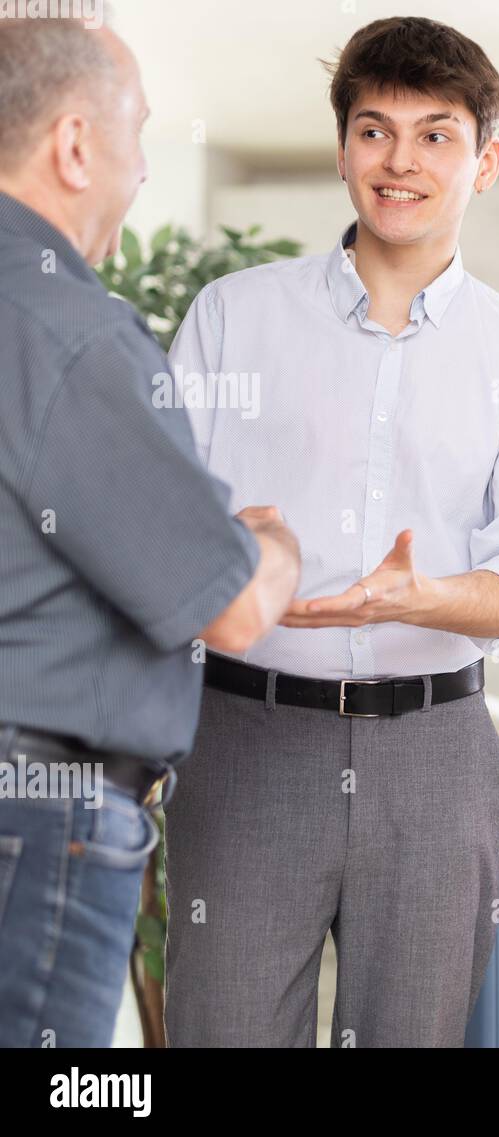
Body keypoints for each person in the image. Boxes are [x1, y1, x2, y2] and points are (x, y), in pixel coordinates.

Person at [162, 16, 499, 1048]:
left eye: (435, 135)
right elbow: (166, 520)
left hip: (436, 756)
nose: (400, 162)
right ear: (343, 148)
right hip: (246, 740)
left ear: (484, 160)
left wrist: (426, 597)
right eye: (373, 130)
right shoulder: (232, 317)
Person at [0, 15, 300, 1048]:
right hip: (36, 821)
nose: (140, 173)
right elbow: (234, 608)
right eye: (138, 135)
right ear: (76, 146)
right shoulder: (65, 328)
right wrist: (271, 541)